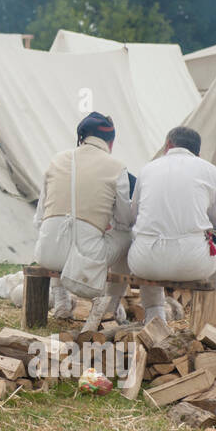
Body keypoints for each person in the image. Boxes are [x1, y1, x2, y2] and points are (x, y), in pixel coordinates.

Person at [129, 126, 216, 330]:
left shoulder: (148, 168)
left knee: (141, 239)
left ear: (168, 145)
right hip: (192, 263)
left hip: (145, 263)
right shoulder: (209, 170)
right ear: (198, 153)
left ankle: (154, 316)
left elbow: (134, 216)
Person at [32, 112, 133, 320]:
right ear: (110, 142)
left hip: (46, 254)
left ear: (81, 138)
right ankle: (110, 306)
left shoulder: (57, 160)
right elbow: (124, 222)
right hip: (86, 257)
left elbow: (39, 219)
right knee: (129, 235)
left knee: (53, 235)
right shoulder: (117, 168)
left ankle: (61, 302)